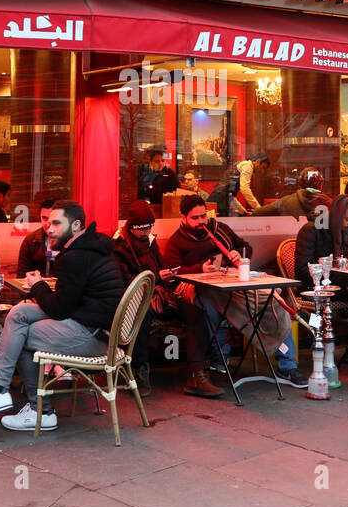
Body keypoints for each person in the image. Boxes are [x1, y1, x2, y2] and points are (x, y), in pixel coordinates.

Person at [0, 200, 126, 431]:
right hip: (94, 327)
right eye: (48, 222)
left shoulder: (75, 256)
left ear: (75, 225)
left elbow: (59, 309)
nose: (49, 229)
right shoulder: (91, 248)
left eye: (56, 223)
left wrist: (37, 286)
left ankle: (36, 409)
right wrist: (41, 287)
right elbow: (68, 303)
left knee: (21, 336)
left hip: (94, 338)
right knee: (19, 312)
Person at [163, 195, 307, 388]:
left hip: (233, 284)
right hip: (204, 290)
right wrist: (199, 269)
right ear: (183, 218)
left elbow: (245, 248)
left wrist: (240, 254)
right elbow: (171, 272)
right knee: (206, 307)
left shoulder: (219, 229)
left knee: (272, 301)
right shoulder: (177, 241)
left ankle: (288, 366)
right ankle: (220, 359)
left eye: (203, 216)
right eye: (195, 218)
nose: (201, 222)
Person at [112, 200, 222, 399]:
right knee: (141, 315)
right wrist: (156, 276)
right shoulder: (119, 246)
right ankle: (139, 370)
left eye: (149, 227)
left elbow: (162, 265)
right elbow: (123, 282)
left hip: (160, 292)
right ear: (132, 226)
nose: (146, 232)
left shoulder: (151, 242)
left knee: (194, 309)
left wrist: (165, 275)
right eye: (141, 228)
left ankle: (196, 374)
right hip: (135, 297)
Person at [251, 166, 325, 217]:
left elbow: (257, 213)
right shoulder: (331, 205)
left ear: (300, 183)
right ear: (320, 184)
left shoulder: (285, 202)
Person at [16, 194, 59, 276]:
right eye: (44, 218)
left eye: (52, 219)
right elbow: (21, 275)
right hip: (36, 286)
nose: (47, 223)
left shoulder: (71, 241)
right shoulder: (31, 241)